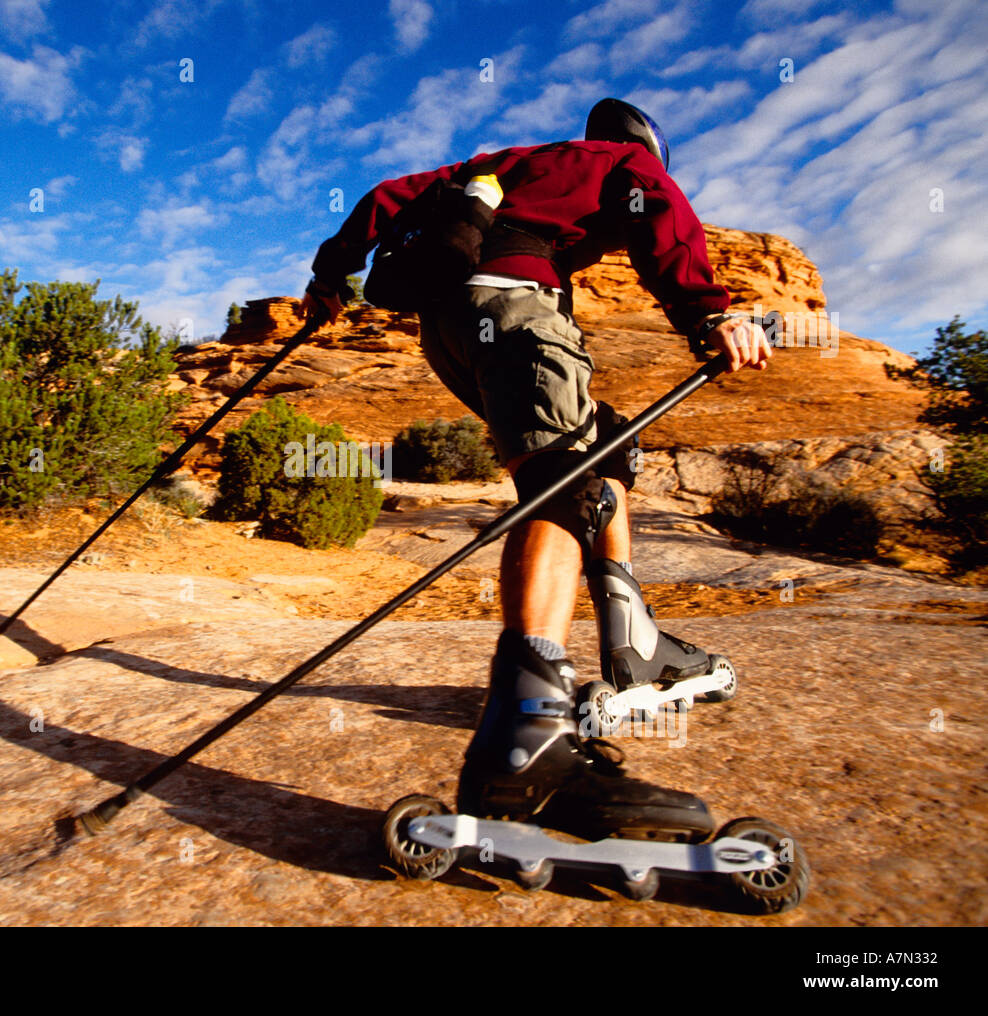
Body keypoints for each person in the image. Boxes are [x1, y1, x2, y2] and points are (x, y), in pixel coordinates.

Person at [301, 99, 772, 841]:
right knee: (560, 491)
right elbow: (661, 218)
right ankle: (527, 742)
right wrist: (706, 312)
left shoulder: (497, 167)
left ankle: (633, 645)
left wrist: (331, 275)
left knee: (606, 446)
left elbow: (384, 195)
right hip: (517, 305)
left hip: (451, 326)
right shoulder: (623, 163)